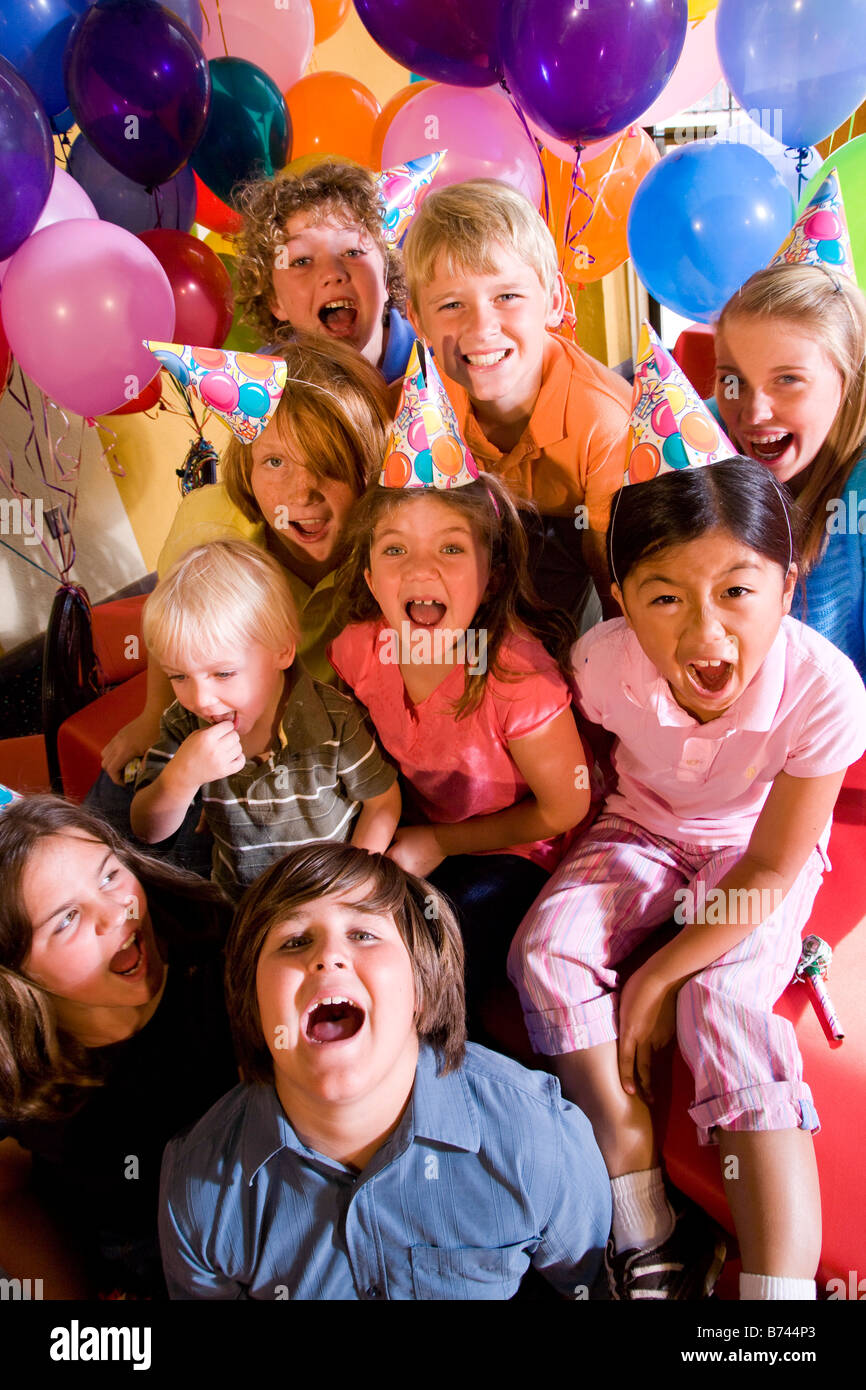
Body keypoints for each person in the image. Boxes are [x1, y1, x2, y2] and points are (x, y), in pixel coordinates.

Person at [507, 455, 866, 1301]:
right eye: (665, 597)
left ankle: (776, 1304)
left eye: (737, 591)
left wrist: (663, 973)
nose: (705, 634)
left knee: (724, 1003)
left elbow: (777, 859)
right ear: (623, 598)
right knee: (544, 955)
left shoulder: (824, 691)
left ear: (786, 585)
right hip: (644, 826)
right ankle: (646, 1235)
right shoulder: (601, 664)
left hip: (757, 847)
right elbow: (590, 769)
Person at [158, 842, 611, 1300]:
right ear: (252, 1003)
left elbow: (587, 1285)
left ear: (423, 982)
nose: (327, 957)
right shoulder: (196, 1189)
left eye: (363, 934)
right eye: (294, 941)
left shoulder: (539, 1139)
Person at [329, 468, 590, 1030]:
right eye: (396, 548)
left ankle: (426, 1059)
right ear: (371, 578)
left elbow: (565, 807)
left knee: (435, 946)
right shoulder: (360, 649)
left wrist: (443, 841)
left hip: (517, 848)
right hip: (419, 827)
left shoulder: (517, 679)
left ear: (492, 578)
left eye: (450, 547)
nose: (421, 568)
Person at [0, 795, 238, 1299]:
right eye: (66, 919)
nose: (118, 912)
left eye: (110, 876)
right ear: (15, 975)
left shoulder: (220, 961)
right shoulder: (16, 1067)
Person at [402, 177, 632, 621]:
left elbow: (615, 593)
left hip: (580, 575)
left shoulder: (606, 423)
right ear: (418, 320)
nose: (481, 327)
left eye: (507, 296)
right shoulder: (420, 406)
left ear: (554, 300)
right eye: (451, 305)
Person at [130, 540, 400, 900]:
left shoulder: (335, 719)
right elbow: (147, 831)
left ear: (283, 651)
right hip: (240, 907)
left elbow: (383, 802)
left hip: (328, 897)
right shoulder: (183, 724)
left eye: (223, 673)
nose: (200, 700)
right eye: (178, 677)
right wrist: (182, 777)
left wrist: (350, 884)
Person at [713, 261, 866, 680]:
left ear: (848, 381)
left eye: (788, 379)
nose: (754, 412)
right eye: (733, 380)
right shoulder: (701, 436)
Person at [234, 160, 415, 382]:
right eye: (301, 261)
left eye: (352, 252)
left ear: (385, 278)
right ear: (275, 301)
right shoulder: (262, 386)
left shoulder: (438, 360)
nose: (332, 273)